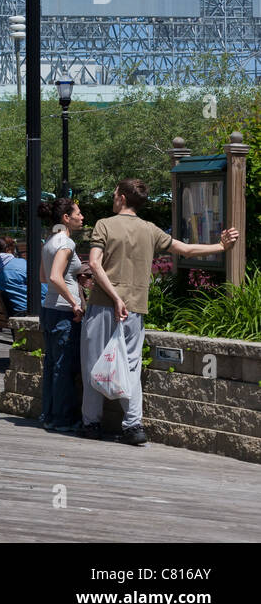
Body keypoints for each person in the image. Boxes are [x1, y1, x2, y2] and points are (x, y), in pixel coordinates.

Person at [81, 178, 238, 445]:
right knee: (131, 367)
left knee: (93, 364)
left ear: (121, 197)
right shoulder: (150, 229)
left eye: (115, 192)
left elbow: (94, 265)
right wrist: (221, 247)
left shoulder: (104, 225)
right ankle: (133, 426)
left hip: (102, 305)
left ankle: (91, 423)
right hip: (135, 309)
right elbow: (186, 249)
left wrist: (115, 298)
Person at [39, 197, 85, 432]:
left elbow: (43, 277)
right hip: (64, 312)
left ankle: (48, 414)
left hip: (48, 310)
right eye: (78, 213)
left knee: (52, 365)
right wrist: (74, 302)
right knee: (63, 367)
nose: (82, 216)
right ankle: (62, 419)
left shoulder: (49, 242)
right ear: (66, 218)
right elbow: (55, 277)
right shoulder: (66, 243)